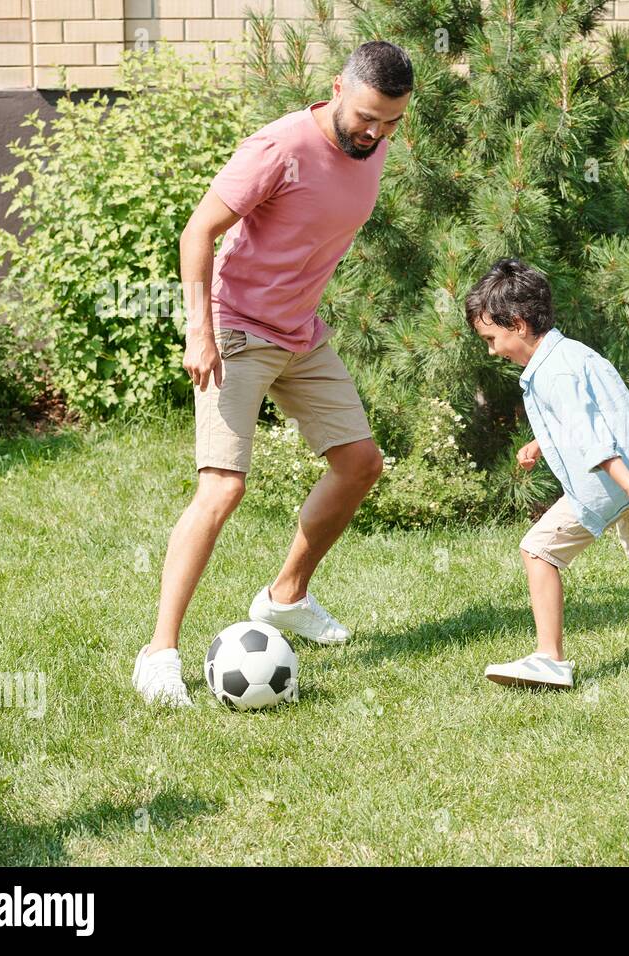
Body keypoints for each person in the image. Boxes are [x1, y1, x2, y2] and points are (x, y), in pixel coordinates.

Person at [132, 42, 414, 706]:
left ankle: (285, 597)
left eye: (392, 123)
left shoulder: (372, 146)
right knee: (222, 487)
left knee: (361, 463)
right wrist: (199, 330)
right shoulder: (278, 148)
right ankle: (158, 654)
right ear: (337, 87)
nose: (375, 133)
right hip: (236, 330)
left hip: (301, 334)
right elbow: (198, 230)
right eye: (367, 117)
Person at [466, 259, 629, 689]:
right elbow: (591, 411)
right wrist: (542, 442)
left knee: (539, 549)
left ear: (519, 324)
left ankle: (550, 659)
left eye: (491, 339)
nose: (492, 351)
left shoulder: (554, 373)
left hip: (613, 480)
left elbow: (596, 438)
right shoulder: (570, 353)